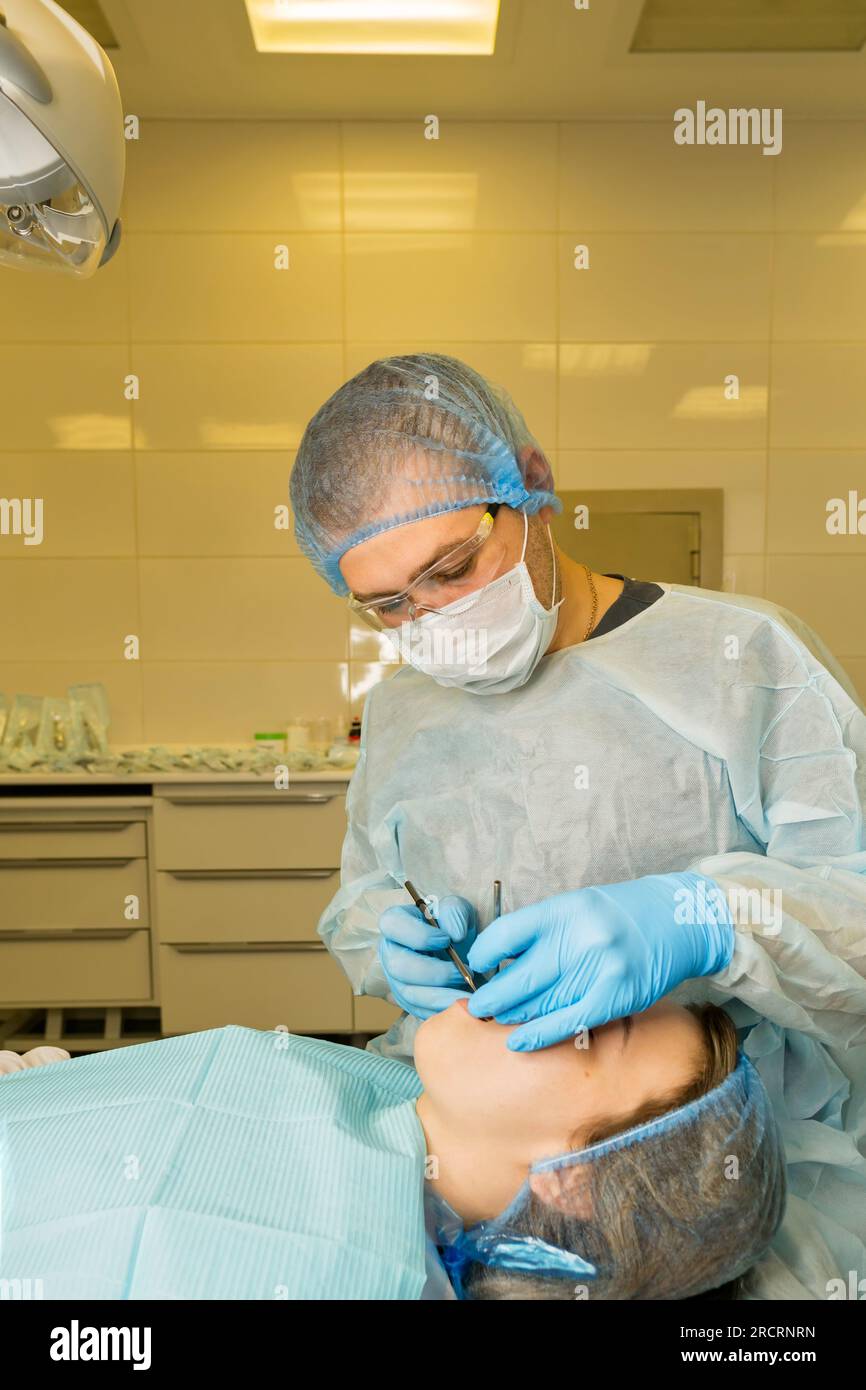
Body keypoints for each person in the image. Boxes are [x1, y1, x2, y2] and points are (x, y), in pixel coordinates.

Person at [289, 352, 866, 1299]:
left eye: (452, 567)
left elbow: (856, 909)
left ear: (535, 483)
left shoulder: (745, 661)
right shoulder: (403, 716)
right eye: (389, 604)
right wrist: (392, 946)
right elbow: (370, 900)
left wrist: (705, 920)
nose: (432, 617)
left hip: (749, 1191)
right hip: (487, 1199)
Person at [0, 1001, 784, 1300]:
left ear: (573, 1182)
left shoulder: (341, 1276)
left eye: (590, 1032)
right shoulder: (380, 1092)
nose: (548, 997)